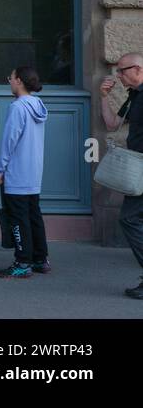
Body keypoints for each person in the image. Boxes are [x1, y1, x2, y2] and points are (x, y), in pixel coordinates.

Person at [0, 66, 49, 278]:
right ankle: (40, 258)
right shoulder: (38, 105)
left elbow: (10, 140)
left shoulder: (18, 107)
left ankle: (22, 261)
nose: (9, 81)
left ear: (19, 81)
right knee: (34, 215)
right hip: (33, 172)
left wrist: (1, 168)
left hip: (17, 172)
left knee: (18, 218)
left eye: (11, 78)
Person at [99, 53, 143, 299]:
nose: (119, 76)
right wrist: (104, 97)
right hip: (138, 168)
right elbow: (111, 124)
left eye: (122, 71)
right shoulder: (135, 95)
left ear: (137, 69)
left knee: (129, 218)